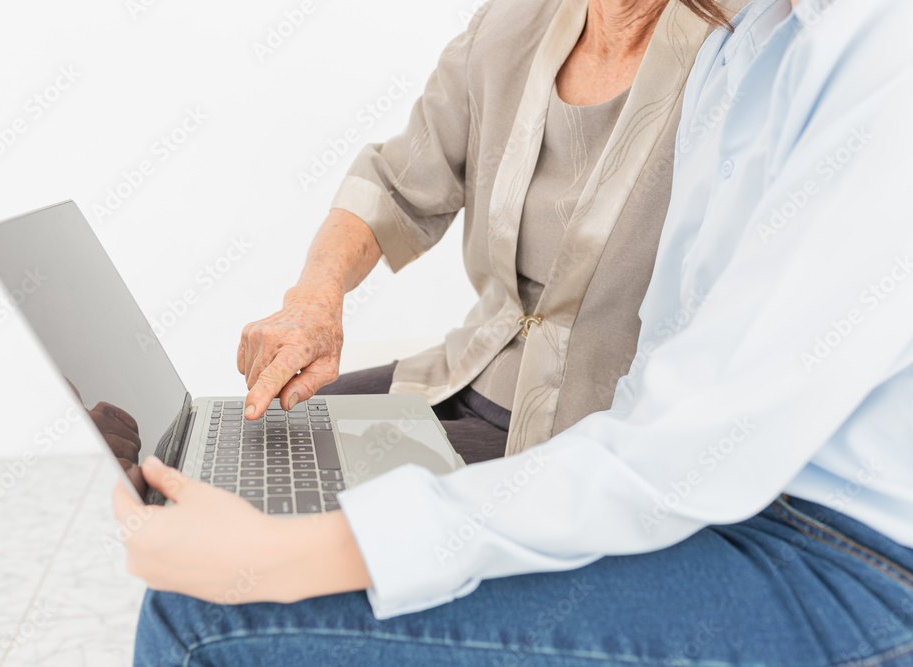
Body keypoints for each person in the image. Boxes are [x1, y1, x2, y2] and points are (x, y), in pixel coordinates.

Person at [119, 0, 913, 664]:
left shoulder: (827, 51)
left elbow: (683, 449)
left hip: (709, 487)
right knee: (231, 460)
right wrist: (314, 298)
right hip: (535, 407)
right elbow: (400, 180)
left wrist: (301, 555)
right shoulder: (736, 53)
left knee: (207, 609)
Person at [235, 0, 744, 464]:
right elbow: (394, 187)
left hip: (590, 432)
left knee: (304, 486)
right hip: (464, 373)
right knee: (255, 439)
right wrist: (315, 297)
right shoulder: (509, 26)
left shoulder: (741, 55)